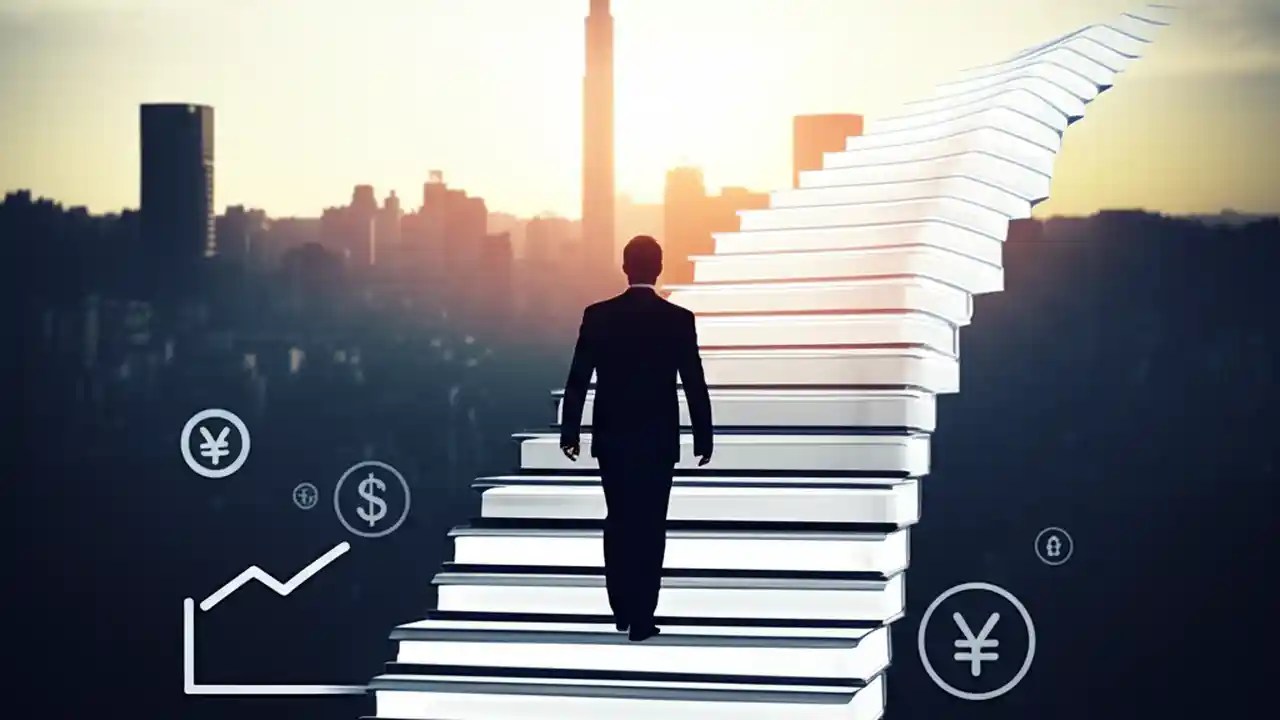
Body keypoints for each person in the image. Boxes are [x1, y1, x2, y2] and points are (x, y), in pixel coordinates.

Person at [558, 235, 714, 642]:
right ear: (658, 268)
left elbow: (578, 378)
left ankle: (622, 608)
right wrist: (703, 435)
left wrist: (570, 431)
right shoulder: (678, 320)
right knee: (650, 525)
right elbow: (693, 380)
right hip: (658, 439)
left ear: (625, 267)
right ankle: (643, 615)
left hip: (613, 438)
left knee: (619, 520)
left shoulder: (598, 316)